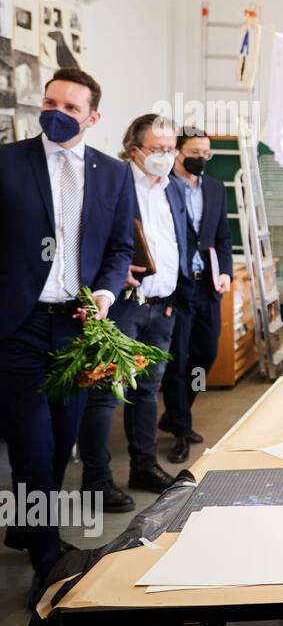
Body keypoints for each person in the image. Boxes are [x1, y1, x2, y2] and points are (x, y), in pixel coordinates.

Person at [0, 69, 134, 594]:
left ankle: (28, 525)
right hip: (20, 325)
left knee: (60, 445)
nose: (56, 112)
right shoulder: (8, 162)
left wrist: (103, 294)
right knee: (32, 445)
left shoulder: (113, 175)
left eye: (70, 107)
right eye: (50, 101)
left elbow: (120, 248)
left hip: (79, 328)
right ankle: (48, 560)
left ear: (93, 117)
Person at [78, 114, 192, 514]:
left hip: (161, 307)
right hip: (122, 305)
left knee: (146, 392)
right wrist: (111, 271)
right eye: (157, 149)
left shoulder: (173, 189)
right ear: (134, 149)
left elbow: (175, 239)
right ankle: (96, 480)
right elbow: (85, 238)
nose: (166, 155)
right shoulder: (112, 184)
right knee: (105, 394)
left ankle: (144, 466)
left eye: (170, 148)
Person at [159, 126, 232, 464]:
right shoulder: (162, 188)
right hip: (176, 288)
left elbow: (222, 237)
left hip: (207, 285)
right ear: (177, 151)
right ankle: (181, 430)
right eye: (195, 153)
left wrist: (226, 272)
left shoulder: (216, 189)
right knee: (178, 359)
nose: (201, 159)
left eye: (206, 154)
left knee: (205, 354)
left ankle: (176, 414)